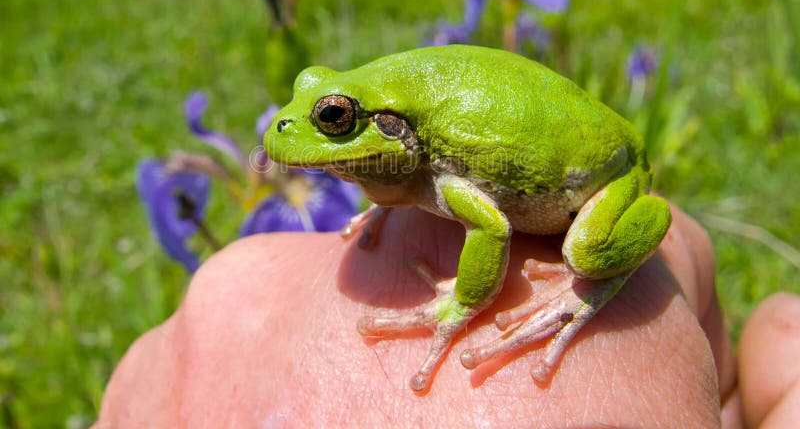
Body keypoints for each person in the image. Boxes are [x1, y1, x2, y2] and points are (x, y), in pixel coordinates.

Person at [95, 205, 800, 427]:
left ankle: (589, 293)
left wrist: (462, 303)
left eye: (335, 120)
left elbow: (489, 227)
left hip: (599, 192)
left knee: (587, 251)